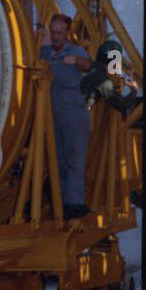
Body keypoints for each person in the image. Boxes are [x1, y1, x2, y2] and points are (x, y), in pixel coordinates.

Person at [38, 14, 92, 219]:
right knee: (56, 161)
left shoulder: (76, 51)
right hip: (51, 114)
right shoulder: (44, 52)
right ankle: (59, 205)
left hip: (73, 114)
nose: (56, 36)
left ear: (68, 33)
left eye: (60, 33)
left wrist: (76, 60)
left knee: (74, 161)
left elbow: (88, 65)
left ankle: (74, 204)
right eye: (53, 32)